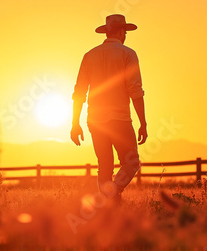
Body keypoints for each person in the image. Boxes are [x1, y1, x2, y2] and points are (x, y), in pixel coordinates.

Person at [70, 14, 148, 202]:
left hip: (95, 120)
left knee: (104, 166)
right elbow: (135, 91)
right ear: (121, 32)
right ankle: (113, 192)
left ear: (107, 32)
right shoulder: (128, 54)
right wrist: (143, 123)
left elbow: (79, 92)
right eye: (125, 31)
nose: (125, 35)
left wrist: (75, 123)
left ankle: (109, 204)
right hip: (120, 119)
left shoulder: (89, 55)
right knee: (131, 163)